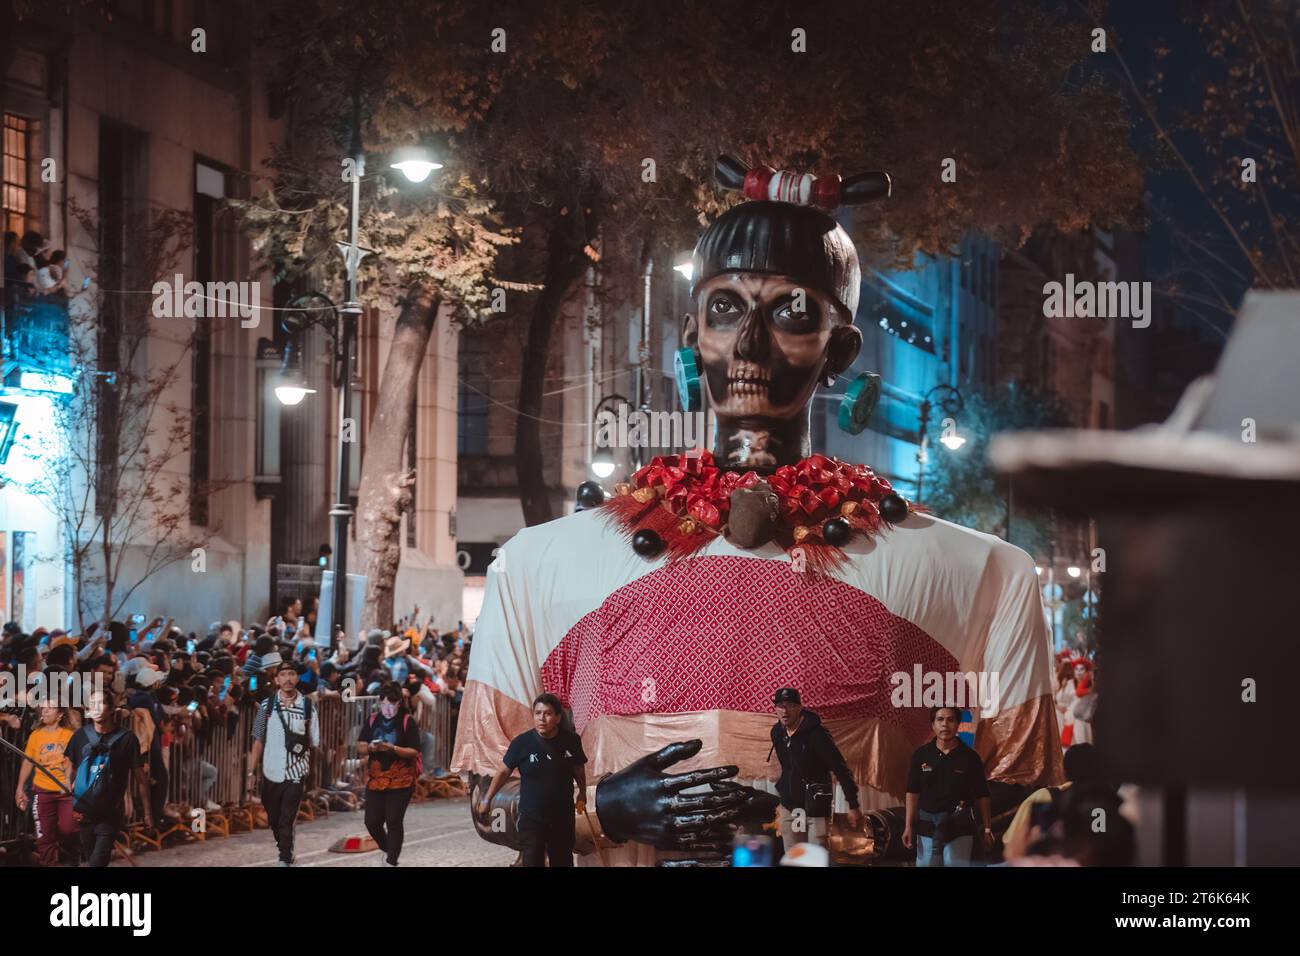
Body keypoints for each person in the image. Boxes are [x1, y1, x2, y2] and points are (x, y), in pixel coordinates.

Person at [453, 156, 1061, 866]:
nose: (748, 344)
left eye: (792, 313)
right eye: (726, 309)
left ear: (841, 348)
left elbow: (1014, 791)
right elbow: (490, 801)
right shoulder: (537, 565)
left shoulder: (984, 573)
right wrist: (604, 811)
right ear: (693, 336)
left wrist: (854, 829)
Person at [477, 694, 587, 868]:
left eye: (548, 713)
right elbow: (503, 771)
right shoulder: (522, 743)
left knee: (563, 861)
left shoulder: (571, 741)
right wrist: (486, 799)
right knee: (532, 861)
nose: (542, 718)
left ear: (558, 717)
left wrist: (582, 793)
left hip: (562, 817)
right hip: (532, 816)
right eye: (538, 713)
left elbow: (579, 770)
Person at [65, 689, 153, 866]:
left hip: (110, 812)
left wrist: (147, 812)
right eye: (92, 705)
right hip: (84, 810)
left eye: (101, 704)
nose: (96, 709)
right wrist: (69, 785)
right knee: (91, 858)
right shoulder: (79, 736)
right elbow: (71, 768)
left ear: (113, 709)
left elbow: (140, 778)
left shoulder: (127, 739)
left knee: (97, 861)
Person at [769, 687, 861, 852]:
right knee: (794, 857)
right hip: (791, 805)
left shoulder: (817, 734)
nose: (784, 710)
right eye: (780, 706)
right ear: (775, 709)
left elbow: (840, 768)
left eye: (790, 705)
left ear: (799, 707)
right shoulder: (777, 732)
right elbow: (788, 767)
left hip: (816, 804)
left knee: (816, 856)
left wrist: (853, 804)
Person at [248, 659, 319, 866]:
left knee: (286, 818)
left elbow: (314, 743)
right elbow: (258, 740)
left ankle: (285, 858)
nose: (288, 679)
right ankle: (285, 849)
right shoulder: (266, 706)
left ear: (297, 678)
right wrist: (250, 773)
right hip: (271, 772)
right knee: (274, 819)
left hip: (296, 773)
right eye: (283, 675)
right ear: (277, 679)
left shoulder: (308, 707)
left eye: (292, 674)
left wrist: (311, 776)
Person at [903, 705, 993, 867]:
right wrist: (908, 826)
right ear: (933, 725)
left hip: (959, 828)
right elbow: (912, 792)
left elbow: (982, 795)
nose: (945, 724)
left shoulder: (970, 757)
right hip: (927, 827)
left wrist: (987, 829)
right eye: (940, 719)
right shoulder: (921, 754)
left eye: (951, 720)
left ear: (958, 725)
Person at [358, 683, 423, 866]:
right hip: (376, 779)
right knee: (372, 822)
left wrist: (392, 748)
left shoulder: (407, 721)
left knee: (393, 820)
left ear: (399, 704)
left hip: (401, 780)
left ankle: (391, 860)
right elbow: (360, 746)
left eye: (392, 705)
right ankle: (390, 848)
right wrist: (370, 747)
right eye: (384, 705)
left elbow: (414, 751)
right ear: (379, 703)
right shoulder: (372, 720)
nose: (387, 710)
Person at [16, 705, 78, 865]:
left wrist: (68, 779)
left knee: (69, 829)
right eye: (44, 708)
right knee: (44, 835)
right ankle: (48, 862)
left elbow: (72, 760)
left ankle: (71, 857)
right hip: (42, 791)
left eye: (50, 708)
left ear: (60, 715)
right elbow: (28, 762)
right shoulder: (35, 736)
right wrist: (20, 787)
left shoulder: (68, 735)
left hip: (65, 792)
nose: (45, 711)